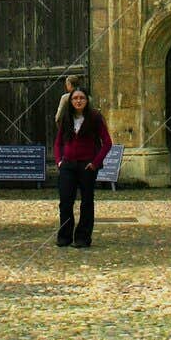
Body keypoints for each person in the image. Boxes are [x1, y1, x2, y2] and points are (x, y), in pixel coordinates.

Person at [54, 86, 112, 249]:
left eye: (81, 98)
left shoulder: (95, 118)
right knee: (65, 201)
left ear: (87, 101)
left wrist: (95, 162)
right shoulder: (66, 118)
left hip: (87, 166)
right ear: (70, 101)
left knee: (87, 202)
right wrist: (59, 161)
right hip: (68, 165)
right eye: (75, 98)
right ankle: (65, 236)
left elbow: (107, 142)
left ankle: (82, 237)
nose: (78, 101)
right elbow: (58, 143)